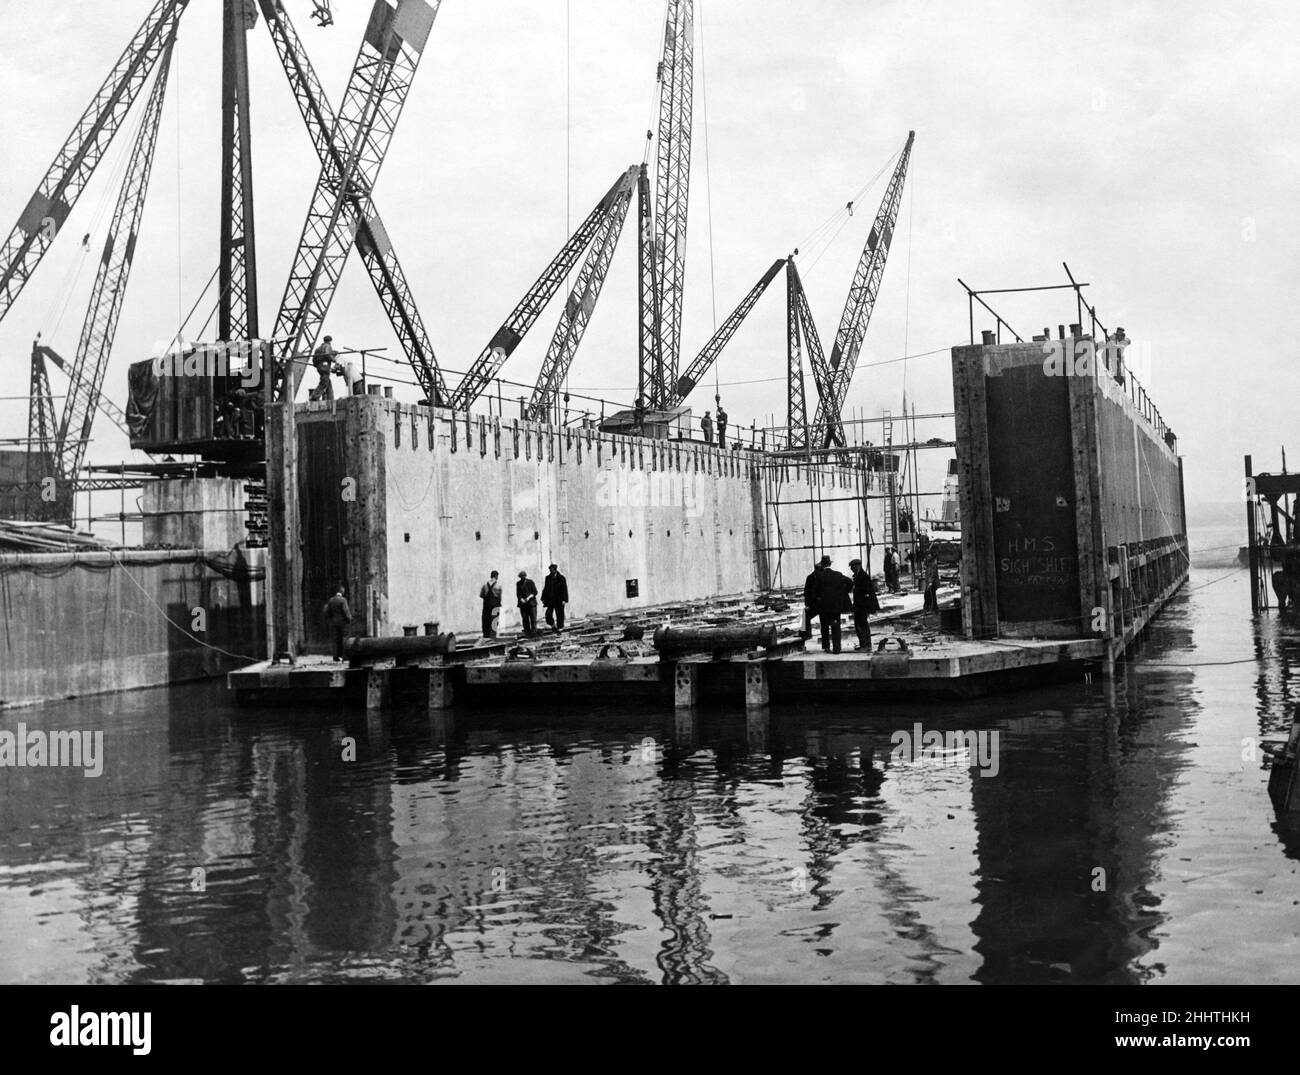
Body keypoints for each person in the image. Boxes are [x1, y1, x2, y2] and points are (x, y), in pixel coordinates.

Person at [814, 555, 853, 654]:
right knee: (835, 626)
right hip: (836, 606)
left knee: (825, 627)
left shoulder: (819, 576)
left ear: (822, 564)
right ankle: (837, 648)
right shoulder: (838, 574)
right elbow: (850, 582)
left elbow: (815, 591)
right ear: (830, 564)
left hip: (824, 607)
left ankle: (826, 647)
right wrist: (844, 592)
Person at [849, 557, 881, 650]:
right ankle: (863, 644)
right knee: (860, 625)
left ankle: (866, 645)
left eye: (852, 567)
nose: (851, 569)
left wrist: (865, 608)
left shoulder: (863, 576)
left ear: (857, 566)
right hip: (859, 605)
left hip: (862, 606)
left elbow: (866, 593)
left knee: (862, 625)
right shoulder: (858, 576)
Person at [322, 584, 352, 662]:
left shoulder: (331, 600)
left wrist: (331, 619)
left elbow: (327, 611)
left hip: (334, 623)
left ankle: (335, 657)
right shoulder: (343, 600)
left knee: (336, 639)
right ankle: (345, 656)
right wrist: (349, 619)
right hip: (343, 623)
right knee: (345, 638)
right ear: (342, 591)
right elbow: (346, 611)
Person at [309, 335, 339, 402]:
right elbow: (327, 354)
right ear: (330, 341)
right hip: (325, 366)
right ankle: (314, 397)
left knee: (327, 381)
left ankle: (330, 397)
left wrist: (317, 365)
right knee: (324, 383)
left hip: (319, 367)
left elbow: (314, 359)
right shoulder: (328, 346)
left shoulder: (317, 348)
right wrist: (333, 359)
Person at [542, 563, 569, 632]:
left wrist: (564, 599)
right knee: (548, 614)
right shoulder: (547, 578)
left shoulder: (561, 578)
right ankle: (552, 625)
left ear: (555, 570)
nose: (550, 571)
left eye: (551, 570)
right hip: (550, 599)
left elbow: (564, 589)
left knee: (559, 614)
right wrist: (543, 598)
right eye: (550, 570)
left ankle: (560, 627)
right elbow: (545, 588)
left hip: (559, 599)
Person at [803, 558, 824, 639]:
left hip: (819, 603)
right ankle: (806, 633)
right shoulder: (811, 577)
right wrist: (807, 604)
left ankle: (806, 633)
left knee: (807, 615)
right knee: (806, 614)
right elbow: (807, 592)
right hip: (815, 603)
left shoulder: (816, 577)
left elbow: (806, 592)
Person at [479, 570, 503, 637]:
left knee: (485, 621)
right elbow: (500, 597)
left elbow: (481, 595)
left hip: (486, 606)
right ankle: (492, 637)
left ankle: (486, 636)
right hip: (495, 606)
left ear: (491, 576)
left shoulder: (484, 586)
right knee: (494, 621)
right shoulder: (499, 586)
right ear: (496, 576)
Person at [516, 570, 539, 635]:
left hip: (531, 603)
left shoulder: (530, 582)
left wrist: (529, 597)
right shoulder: (518, 583)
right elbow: (518, 594)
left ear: (525, 576)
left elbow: (535, 592)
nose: (522, 578)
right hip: (523, 604)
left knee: (533, 618)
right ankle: (527, 632)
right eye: (521, 577)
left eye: (523, 576)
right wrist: (521, 599)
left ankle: (534, 632)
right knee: (525, 618)